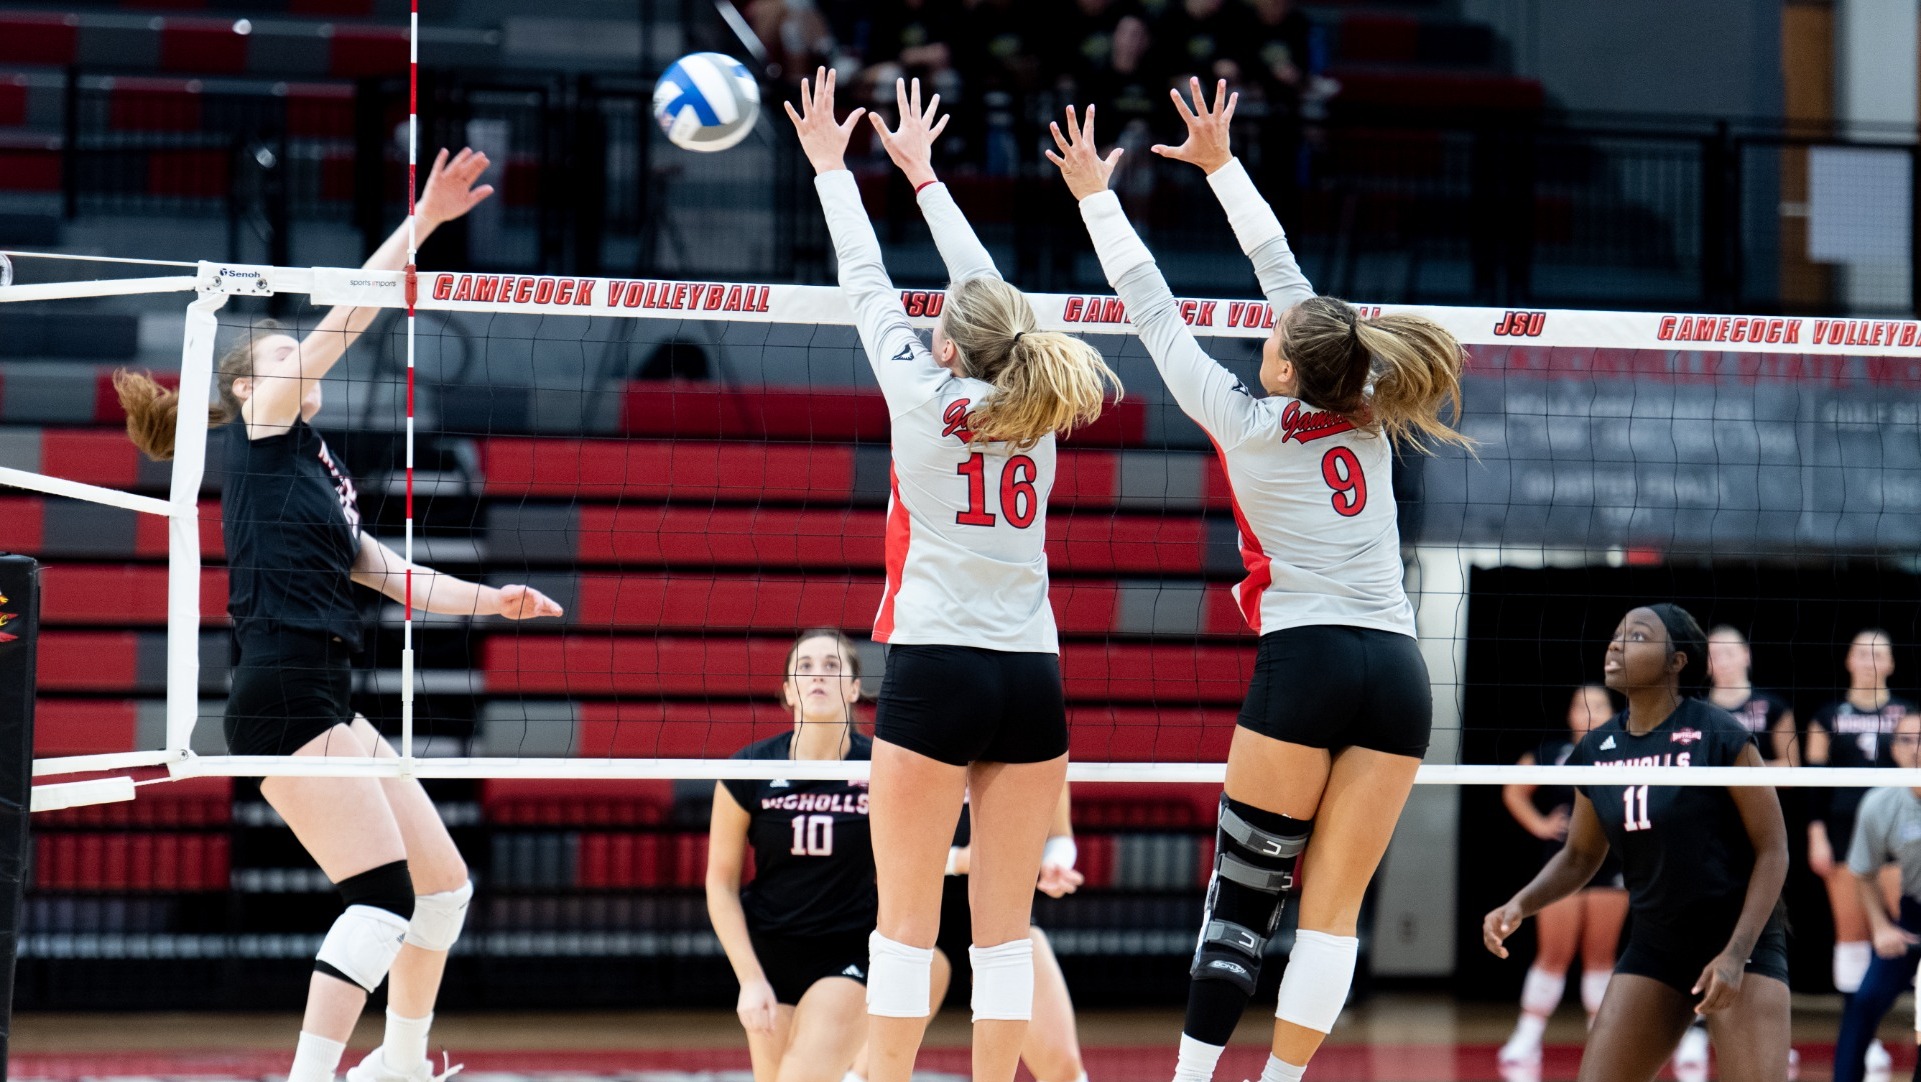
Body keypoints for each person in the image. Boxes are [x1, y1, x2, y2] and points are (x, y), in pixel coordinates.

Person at [113, 147, 563, 1082]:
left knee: (442, 892)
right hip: (284, 695)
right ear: (247, 389)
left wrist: (495, 601)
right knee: (381, 902)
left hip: (328, 691)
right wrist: (425, 222)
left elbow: (388, 573)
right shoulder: (263, 435)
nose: (301, 356)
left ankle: (396, 1065)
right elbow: (349, 314)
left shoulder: (314, 464)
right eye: (282, 354)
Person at [1048, 81, 1468, 1082]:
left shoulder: (1248, 419)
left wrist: (1093, 196)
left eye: (1273, 340)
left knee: (1243, 896)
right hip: (1399, 675)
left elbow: (1149, 306)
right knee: (1331, 909)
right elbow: (1284, 276)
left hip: (1308, 661)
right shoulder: (1362, 401)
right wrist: (1224, 167)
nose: (1264, 334)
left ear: (1286, 369)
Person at [786, 72, 1119, 1082]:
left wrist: (834, 172)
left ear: (943, 343)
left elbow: (863, 277)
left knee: (904, 919)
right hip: (1031, 676)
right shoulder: (1041, 405)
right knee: (1003, 935)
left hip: (937, 669)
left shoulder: (922, 394)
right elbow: (999, 308)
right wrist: (926, 180)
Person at [1484, 604, 1791, 1082]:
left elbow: (1774, 850)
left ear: (1678, 662)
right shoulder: (1596, 749)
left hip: (1736, 940)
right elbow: (1581, 855)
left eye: (1638, 637)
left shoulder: (1718, 734)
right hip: (1658, 943)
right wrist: (1521, 904)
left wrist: (1735, 953)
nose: (1616, 645)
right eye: (1615, 635)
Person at [707, 629, 884, 1082]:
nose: (818, 675)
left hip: (850, 951)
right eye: (805, 666)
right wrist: (749, 978)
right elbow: (721, 884)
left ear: (853, 688)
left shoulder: (881, 768)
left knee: (801, 1077)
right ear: (788, 690)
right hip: (771, 953)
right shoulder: (751, 768)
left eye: (832, 665)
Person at [849, 786, 1088, 1082]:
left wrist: (1055, 863)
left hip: (1002, 914)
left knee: (1063, 1068)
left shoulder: (1032, 745)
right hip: (912, 918)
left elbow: (1059, 835)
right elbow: (874, 855)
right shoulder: (904, 748)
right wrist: (959, 860)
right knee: (870, 1066)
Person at [1496, 685, 1629, 1066]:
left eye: (1600, 705)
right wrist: (1540, 824)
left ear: (1614, 714)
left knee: (1601, 958)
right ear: (1570, 713)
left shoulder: (1627, 752)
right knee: (1553, 954)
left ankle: (1600, 1040)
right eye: (1581, 705)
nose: (1590, 712)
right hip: (1563, 862)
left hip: (1612, 864)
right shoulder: (1552, 753)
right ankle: (1527, 1036)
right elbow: (1513, 791)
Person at [1807, 628, 1917, 1045]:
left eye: (1879, 654)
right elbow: (1815, 784)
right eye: (1862, 653)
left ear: (1890, 663)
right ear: (1848, 660)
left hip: (1900, 833)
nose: (1870, 661)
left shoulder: (1907, 714)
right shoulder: (1826, 716)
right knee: (1851, 938)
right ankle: (1863, 1042)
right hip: (1843, 831)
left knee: (1909, 930)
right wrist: (1817, 835)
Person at [1832, 711, 1921, 1082]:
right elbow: (1862, 872)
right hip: (1913, 915)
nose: (1917, 749)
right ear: (1895, 750)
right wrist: (1881, 926)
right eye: (1907, 740)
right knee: (1865, 1000)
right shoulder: (1879, 803)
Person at [1707, 626, 1797, 767]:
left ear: (1746, 654)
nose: (1723, 662)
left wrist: (1745, 770)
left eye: (1729, 653)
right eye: (1714, 656)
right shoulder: (1697, 710)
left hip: (1762, 787)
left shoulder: (1774, 706)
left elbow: (1791, 766)